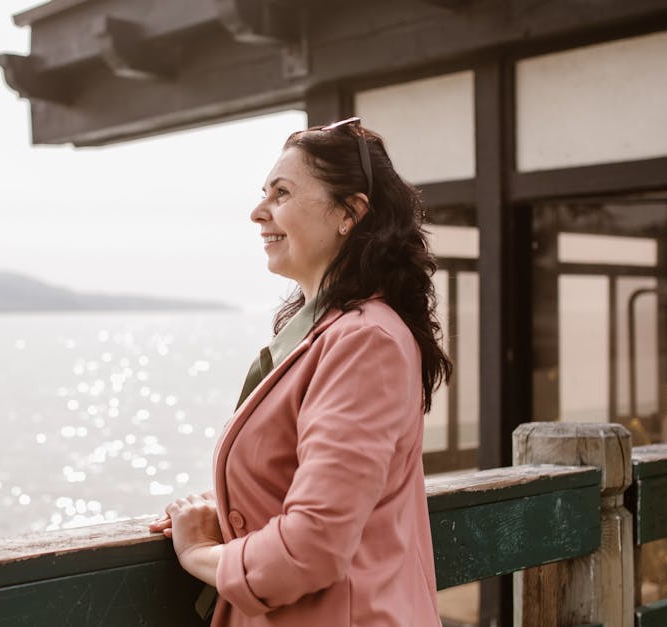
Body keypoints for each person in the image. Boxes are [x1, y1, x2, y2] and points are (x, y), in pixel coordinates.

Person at [149, 117, 451, 626]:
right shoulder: (337, 332)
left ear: (349, 213)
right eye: (263, 192)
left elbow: (313, 546)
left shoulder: (363, 340)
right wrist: (229, 504)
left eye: (282, 193)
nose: (257, 211)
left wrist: (198, 552)